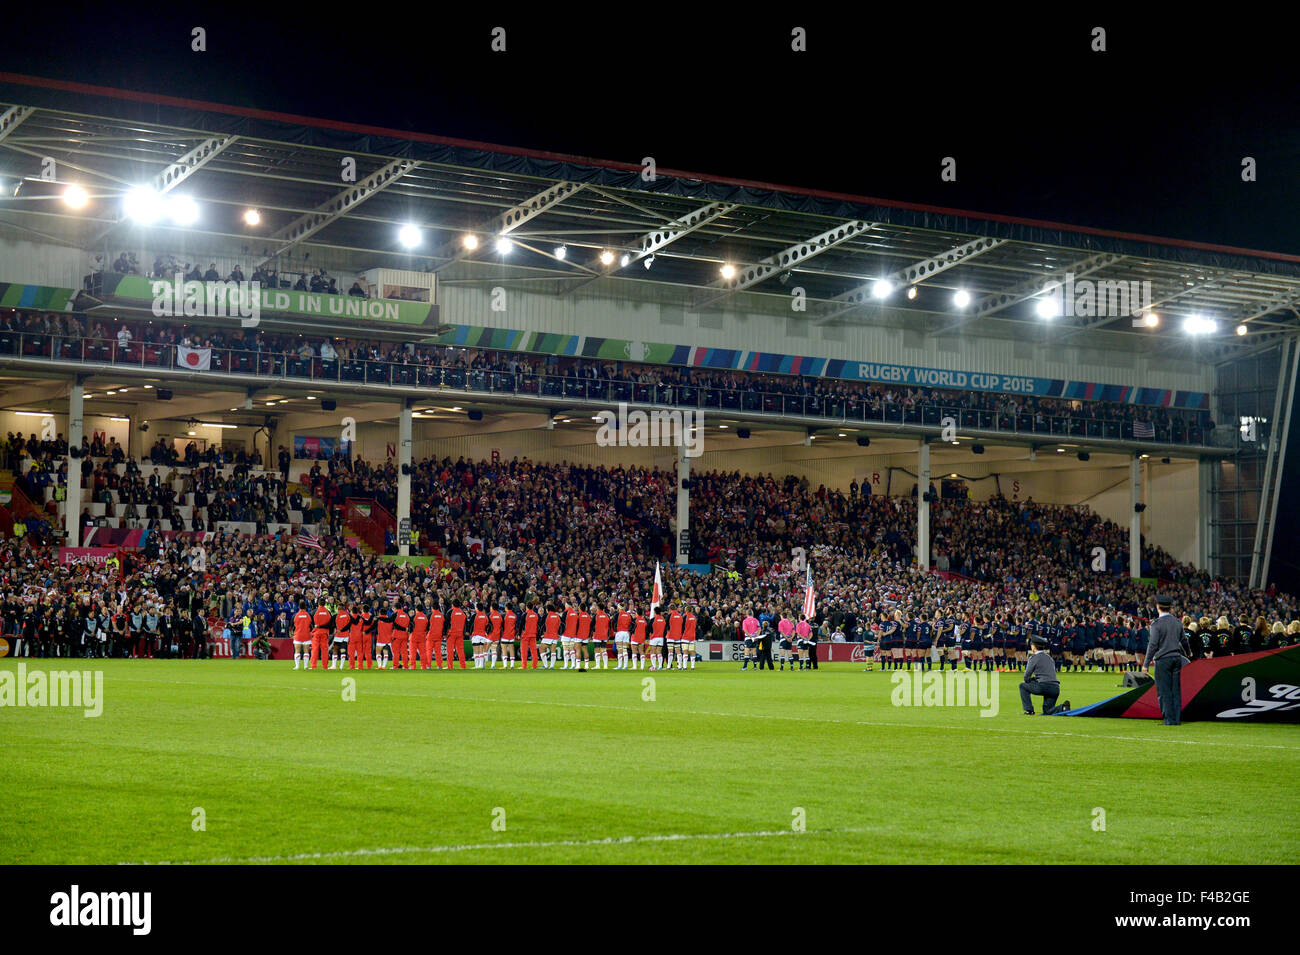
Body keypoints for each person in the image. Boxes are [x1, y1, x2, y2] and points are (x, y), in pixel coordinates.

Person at [1143, 594, 1187, 726]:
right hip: (1176, 658)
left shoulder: (1156, 624)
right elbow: (1183, 640)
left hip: (1163, 660)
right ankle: (1176, 719)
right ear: (1169, 607)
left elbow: (1153, 645)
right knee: (1175, 690)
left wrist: (1146, 664)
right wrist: (1189, 653)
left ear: (1158, 607)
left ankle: (1168, 719)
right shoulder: (1177, 622)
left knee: (1163, 690)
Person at [1020, 635, 1069, 715]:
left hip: (1043, 686)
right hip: (1055, 688)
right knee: (1048, 711)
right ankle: (1063, 708)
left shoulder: (1034, 658)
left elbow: (1026, 676)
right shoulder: (1049, 658)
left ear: (1033, 646)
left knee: (1022, 686)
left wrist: (1030, 680)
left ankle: (1029, 710)